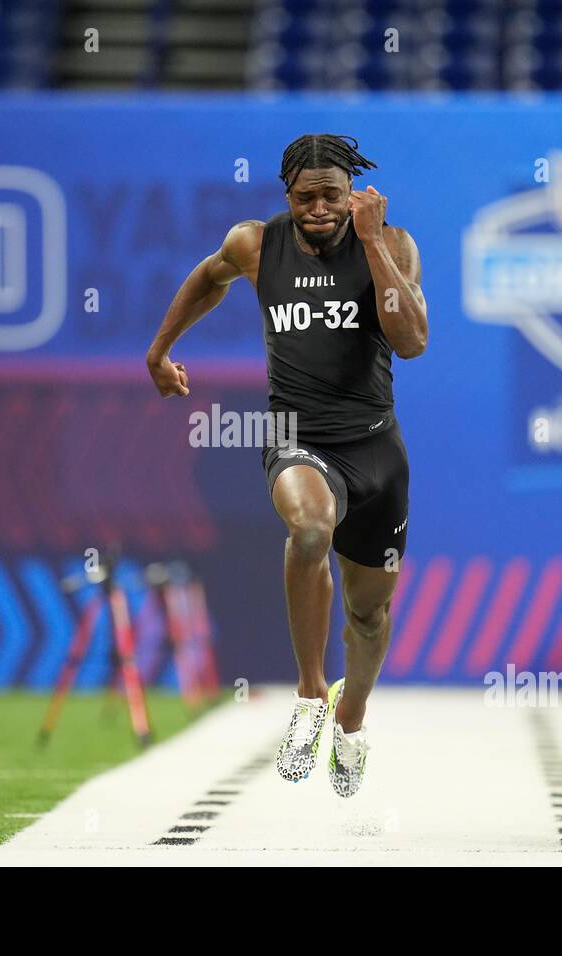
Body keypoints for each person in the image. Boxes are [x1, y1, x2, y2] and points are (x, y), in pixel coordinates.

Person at [146, 133, 427, 796]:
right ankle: (307, 697)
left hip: (376, 452)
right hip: (297, 436)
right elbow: (209, 278)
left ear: (354, 193)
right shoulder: (256, 243)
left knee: (369, 616)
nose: (320, 208)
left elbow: (412, 342)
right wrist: (160, 351)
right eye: (307, 197)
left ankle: (349, 716)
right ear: (288, 197)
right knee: (308, 528)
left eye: (333, 195)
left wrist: (375, 241)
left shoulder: (392, 242)